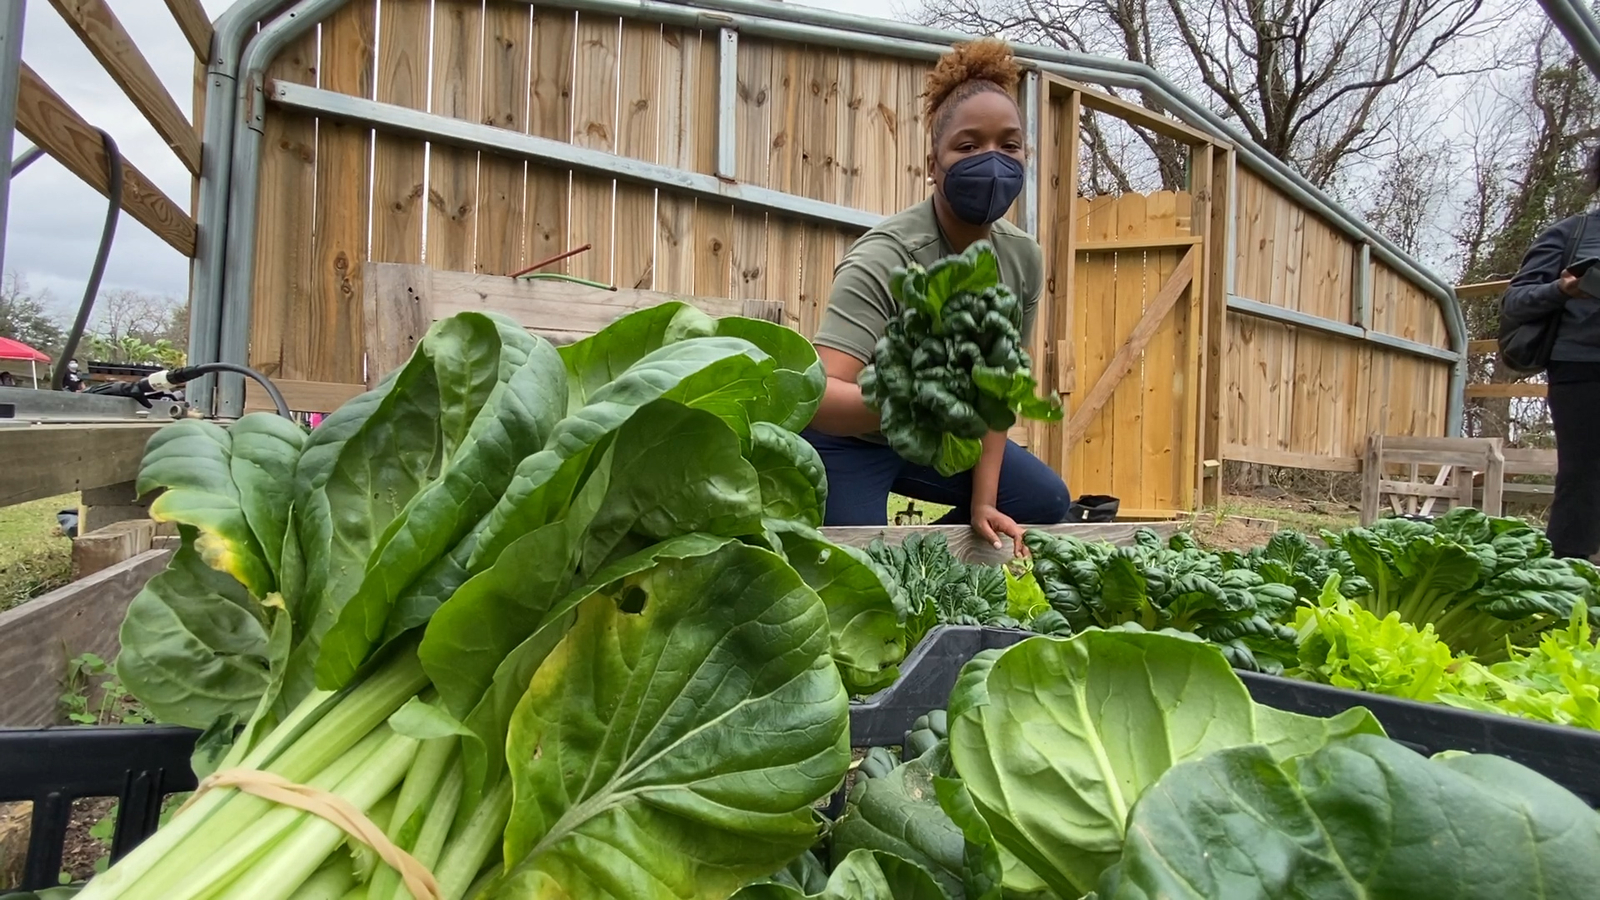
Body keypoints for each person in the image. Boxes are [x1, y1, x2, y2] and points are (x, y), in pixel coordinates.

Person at [801, 37, 1071, 556]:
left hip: (940, 442)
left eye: (1009, 146)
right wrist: (921, 397)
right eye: (968, 147)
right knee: (853, 559)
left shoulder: (1021, 260)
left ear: (1025, 155)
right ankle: (892, 553)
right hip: (853, 440)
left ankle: (928, 554)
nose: (991, 161)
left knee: (1044, 500)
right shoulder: (887, 255)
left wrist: (982, 502)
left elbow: (998, 392)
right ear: (933, 162)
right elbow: (821, 399)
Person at [1502, 149, 1600, 561]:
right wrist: (1563, 289)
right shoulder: (1570, 234)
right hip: (1583, 372)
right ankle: (1566, 587)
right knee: (1583, 481)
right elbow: (1514, 302)